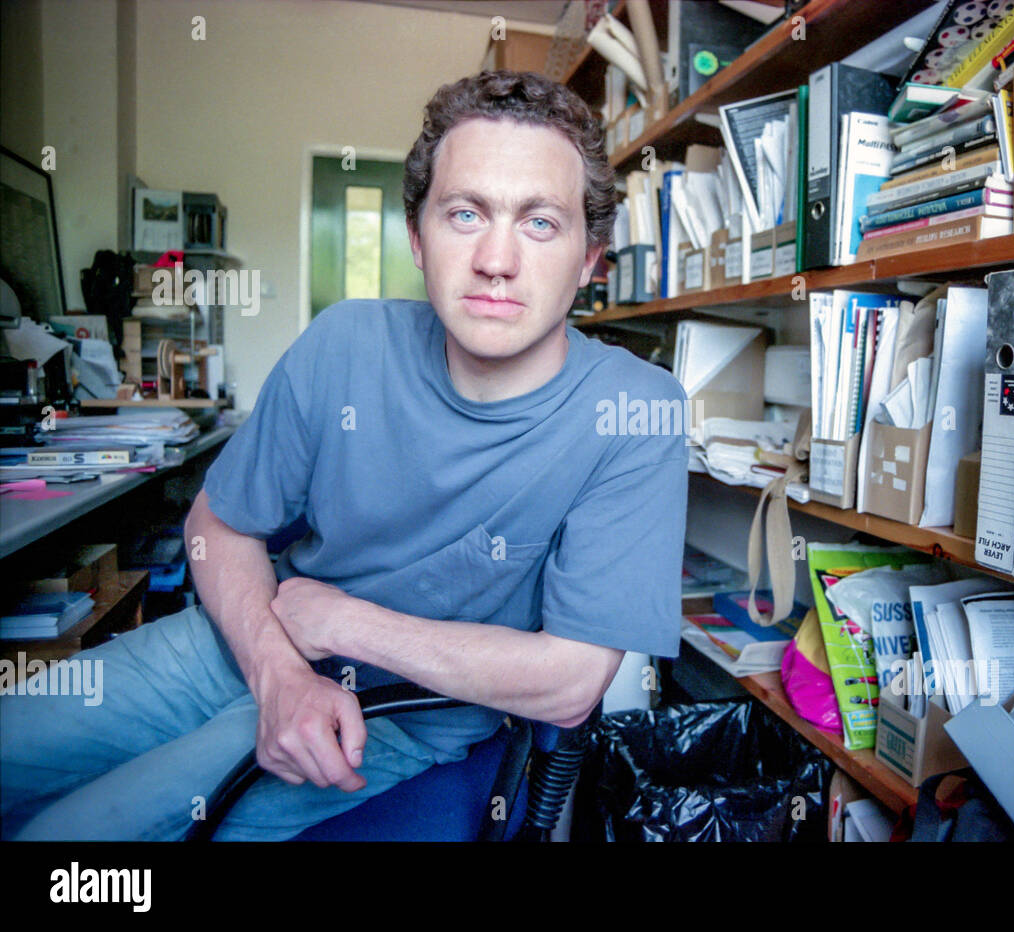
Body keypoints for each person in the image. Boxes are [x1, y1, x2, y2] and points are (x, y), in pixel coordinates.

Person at [0, 70, 688, 841]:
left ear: (591, 257)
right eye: (466, 213)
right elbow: (218, 525)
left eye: (540, 223)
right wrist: (278, 669)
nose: (497, 259)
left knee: (65, 838)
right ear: (419, 237)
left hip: (401, 709)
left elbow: (567, 682)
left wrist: (347, 626)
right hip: (244, 640)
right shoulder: (345, 342)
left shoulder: (637, 411)